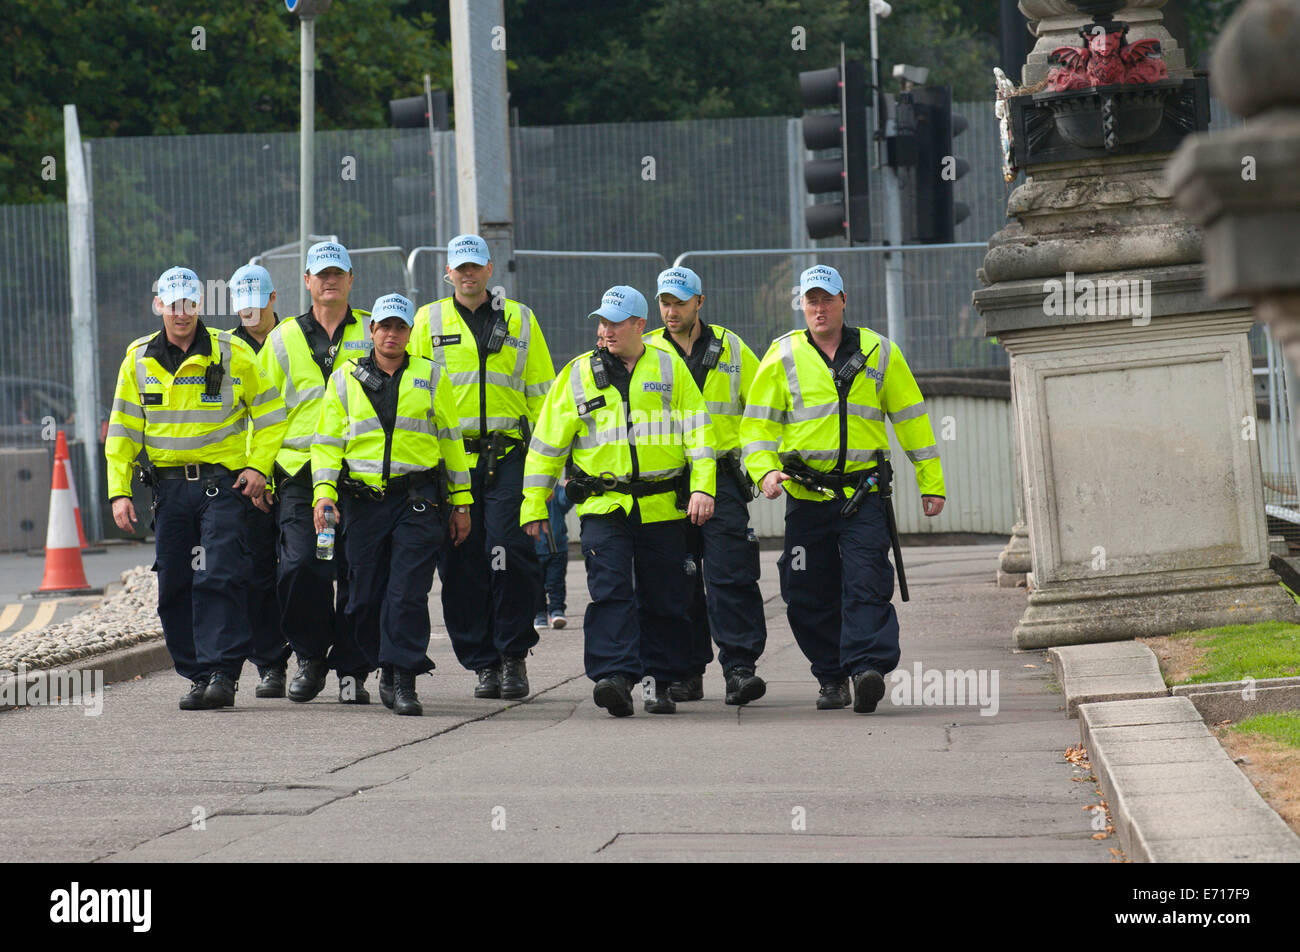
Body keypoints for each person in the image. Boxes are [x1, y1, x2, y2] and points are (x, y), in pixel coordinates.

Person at [741, 264, 946, 713]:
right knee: (805, 590)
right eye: (811, 301)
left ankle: (866, 669)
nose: (818, 308)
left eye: (826, 299)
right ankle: (831, 676)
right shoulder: (782, 356)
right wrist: (764, 472)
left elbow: (912, 420)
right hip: (806, 497)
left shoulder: (880, 352)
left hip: (863, 495)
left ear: (843, 301)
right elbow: (755, 428)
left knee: (866, 582)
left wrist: (931, 483)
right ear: (802, 305)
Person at [522, 285, 716, 716]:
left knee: (664, 595)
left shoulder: (670, 369)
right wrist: (533, 504)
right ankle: (614, 677)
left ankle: (658, 681)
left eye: (615, 322)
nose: (605, 330)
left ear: (639, 326)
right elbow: (547, 444)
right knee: (610, 591)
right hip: (603, 506)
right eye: (602, 322)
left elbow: (699, 434)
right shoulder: (577, 373)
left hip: (662, 505)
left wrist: (703, 486)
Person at [105, 266, 286, 710]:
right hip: (168, 492)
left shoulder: (230, 354)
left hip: (220, 489)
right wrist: (119, 490)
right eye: (173, 304)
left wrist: (259, 468)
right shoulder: (138, 359)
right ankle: (197, 674)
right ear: (159, 305)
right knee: (175, 584)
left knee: (221, 574)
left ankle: (223, 672)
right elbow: (123, 431)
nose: (181, 313)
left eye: (189, 303)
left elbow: (271, 416)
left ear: (199, 304)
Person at [311, 293, 473, 716]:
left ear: (409, 333)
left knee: (406, 594)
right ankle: (383, 662)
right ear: (372, 331)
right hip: (363, 503)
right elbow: (327, 443)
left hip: (416, 500)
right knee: (362, 599)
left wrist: (461, 502)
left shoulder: (431, 375)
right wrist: (324, 494)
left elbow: (450, 442)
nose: (392, 334)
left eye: (400, 327)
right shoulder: (346, 378)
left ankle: (403, 678)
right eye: (385, 326)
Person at [410, 234, 556, 701]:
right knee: (460, 562)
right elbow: (412, 389)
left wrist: (551, 465)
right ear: (447, 273)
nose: (468, 274)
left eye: (476, 266)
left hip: (508, 455)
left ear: (490, 270)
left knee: (511, 551)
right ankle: (483, 663)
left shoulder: (521, 320)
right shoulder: (426, 320)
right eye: (460, 268)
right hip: (450, 461)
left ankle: (513, 655)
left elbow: (543, 398)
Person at [644, 266, 767, 706]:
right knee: (678, 580)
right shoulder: (645, 350)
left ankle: (739, 669)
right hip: (668, 480)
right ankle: (684, 672)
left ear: (700, 301)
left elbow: (762, 408)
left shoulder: (731, 347)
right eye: (664, 302)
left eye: (679, 302)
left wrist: (764, 466)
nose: (670, 310)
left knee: (730, 574)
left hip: (721, 476)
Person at [258, 241, 373, 703]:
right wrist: (262, 473)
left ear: (350, 279)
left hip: (360, 470)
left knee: (358, 573)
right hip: (300, 471)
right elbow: (261, 413)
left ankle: (352, 669)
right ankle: (310, 655)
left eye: (337, 273)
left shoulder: (375, 330)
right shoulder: (283, 338)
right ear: (306, 281)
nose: (329, 280)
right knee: (301, 567)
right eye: (320, 274)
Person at [228, 263, 292, 698]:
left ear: (273, 299)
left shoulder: (295, 340)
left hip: (296, 468)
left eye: (257, 304)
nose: (250, 313)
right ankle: (270, 663)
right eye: (242, 307)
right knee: (257, 575)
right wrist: (255, 473)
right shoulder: (223, 348)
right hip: (249, 480)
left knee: (303, 570)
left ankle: (313, 652)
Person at [533, 481, 573, 630]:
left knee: (556, 582)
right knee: (536, 584)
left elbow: (566, 502)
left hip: (556, 547)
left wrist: (569, 488)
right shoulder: (527, 492)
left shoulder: (556, 490)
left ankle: (557, 610)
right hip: (534, 547)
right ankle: (539, 614)